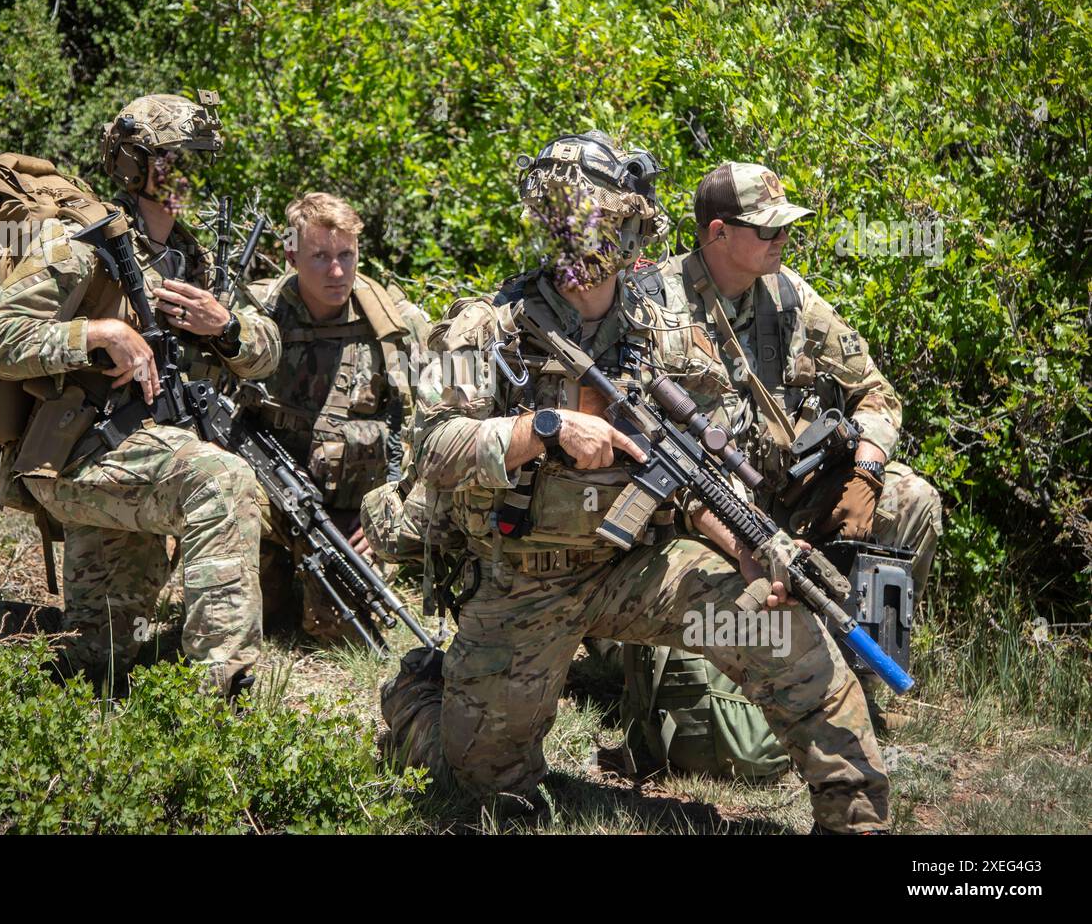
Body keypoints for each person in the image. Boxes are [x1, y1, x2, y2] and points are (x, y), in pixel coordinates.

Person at [379, 132, 891, 833]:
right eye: (578, 224)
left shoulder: (662, 328)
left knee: (778, 624)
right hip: (526, 579)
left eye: (612, 223)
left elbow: (689, 470)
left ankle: (855, 817)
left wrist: (745, 543)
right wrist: (547, 428)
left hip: (637, 565)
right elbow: (434, 447)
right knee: (484, 786)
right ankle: (417, 696)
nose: (594, 241)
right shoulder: (486, 329)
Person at [0, 92, 281, 696]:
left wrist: (228, 327)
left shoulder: (196, 259)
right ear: (133, 166)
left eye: (195, 160)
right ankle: (224, 703)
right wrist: (98, 332)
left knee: (97, 658)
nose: (186, 176)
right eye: (171, 160)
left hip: (145, 457)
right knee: (222, 481)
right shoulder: (84, 243)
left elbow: (267, 349)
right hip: (79, 455)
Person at [647, 161, 942, 727]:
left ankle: (860, 681)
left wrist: (867, 472)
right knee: (726, 724)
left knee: (912, 499)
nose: (783, 238)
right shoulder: (655, 305)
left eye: (787, 227)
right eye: (768, 229)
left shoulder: (791, 296)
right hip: (700, 513)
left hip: (786, 488)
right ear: (718, 233)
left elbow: (875, 391)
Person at [239, 192, 431, 641]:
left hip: (354, 508)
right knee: (261, 619)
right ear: (291, 255)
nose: (337, 271)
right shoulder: (259, 314)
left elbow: (439, 425)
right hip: (268, 499)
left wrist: (389, 511)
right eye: (320, 256)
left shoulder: (397, 324)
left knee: (334, 630)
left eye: (346, 254)